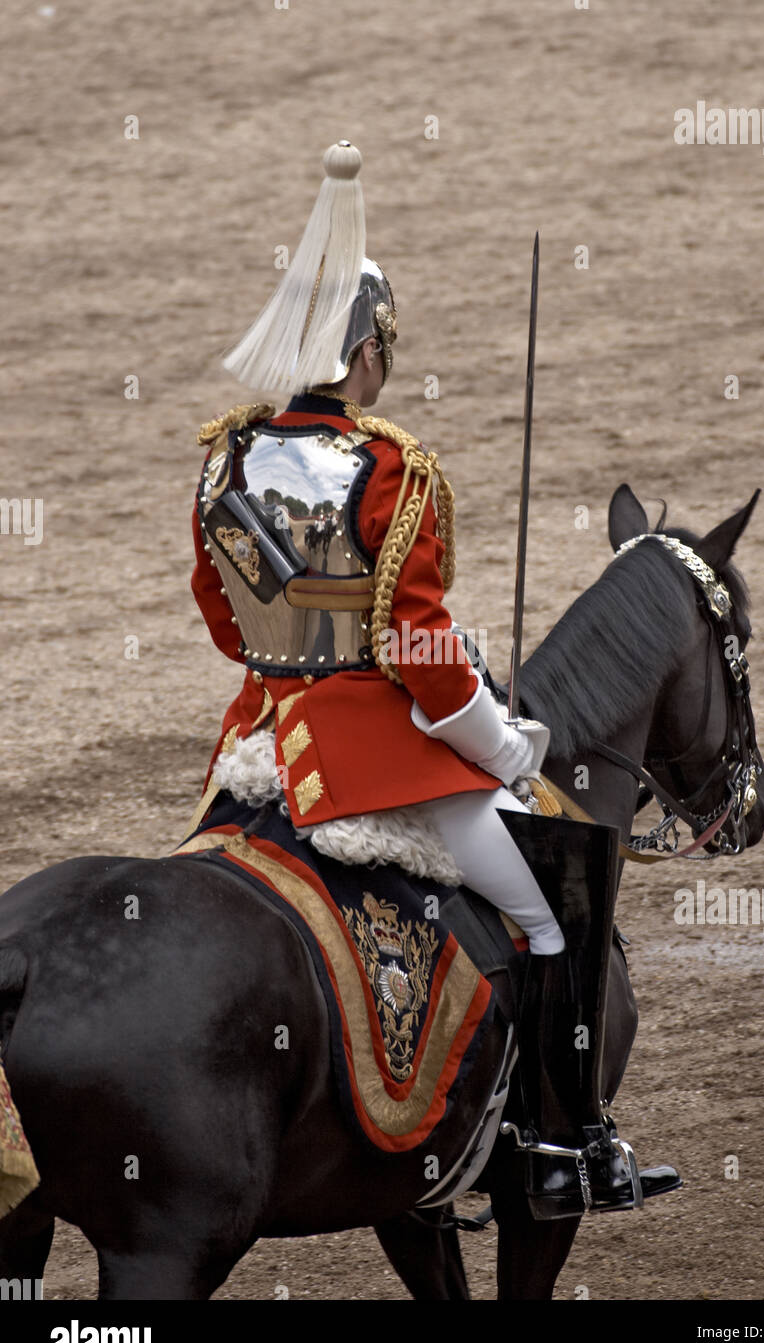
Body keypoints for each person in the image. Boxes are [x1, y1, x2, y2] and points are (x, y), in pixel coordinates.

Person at [190, 141, 679, 1216]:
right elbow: (416, 653)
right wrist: (505, 749)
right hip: (373, 760)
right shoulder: (393, 469)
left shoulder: (224, 458)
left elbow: (225, 618)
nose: (382, 374)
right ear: (361, 350)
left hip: (258, 747)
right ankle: (565, 1146)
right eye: (382, 353)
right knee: (546, 922)